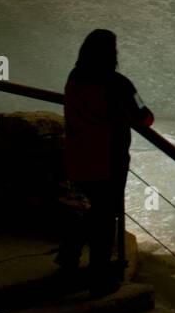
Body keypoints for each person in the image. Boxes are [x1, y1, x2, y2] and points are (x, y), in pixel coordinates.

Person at [56, 29, 153, 295]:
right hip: (108, 159)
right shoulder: (119, 83)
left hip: (78, 157)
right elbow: (144, 116)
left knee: (86, 211)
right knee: (103, 216)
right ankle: (99, 278)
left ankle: (68, 261)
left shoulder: (74, 77)